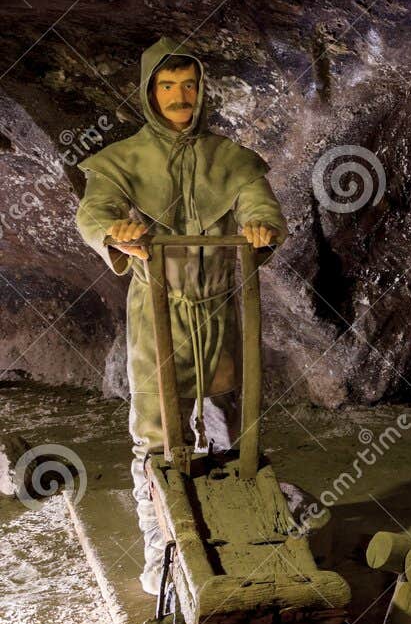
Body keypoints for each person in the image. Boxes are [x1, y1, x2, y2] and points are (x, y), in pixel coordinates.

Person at [75, 37, 285, 595]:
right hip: (158, 312)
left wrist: (261, 227)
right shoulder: (121, 161)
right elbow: (94, 211)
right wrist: (114, 232)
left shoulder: (232, 157)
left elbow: (257, 199)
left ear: (201, 90)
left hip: (222, 306)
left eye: (188, 85)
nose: (179, 97)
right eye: (167, 87)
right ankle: (159, 545)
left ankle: (238, 534)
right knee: (155, 434)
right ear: (149, 92)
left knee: (230, 423)